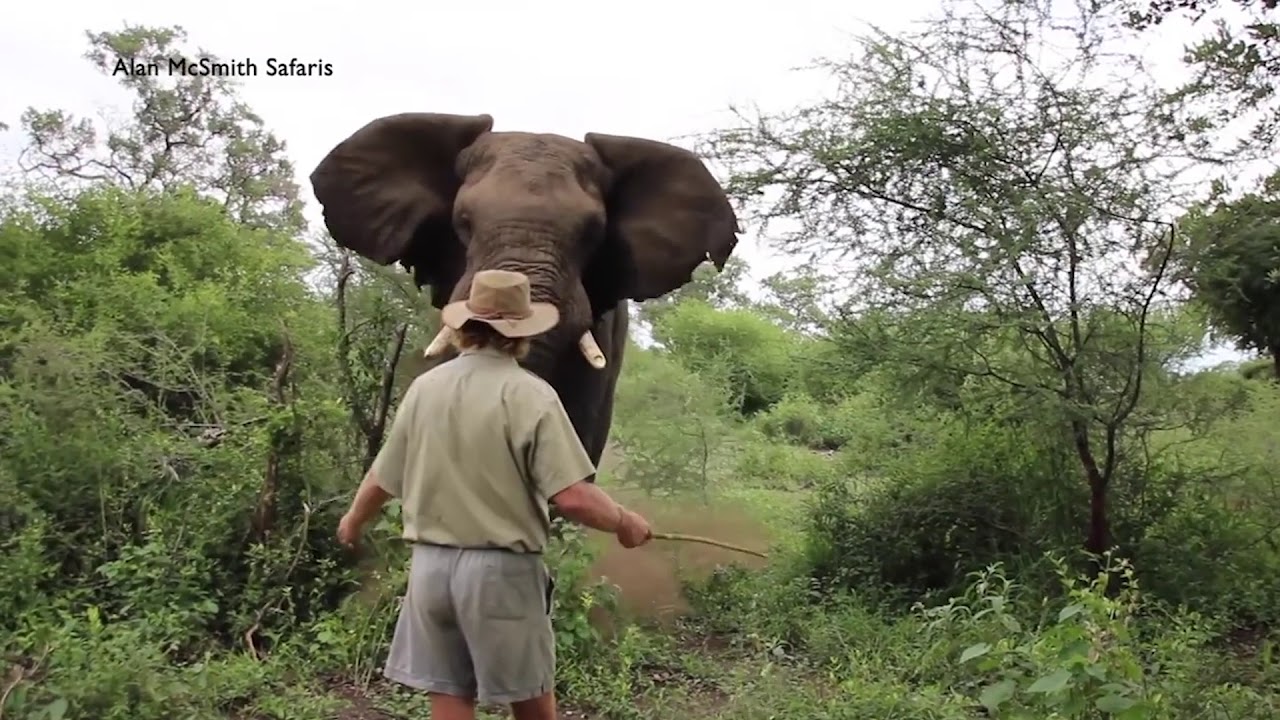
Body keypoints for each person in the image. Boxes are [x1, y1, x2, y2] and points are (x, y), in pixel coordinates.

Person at [336, 268, 653, 720]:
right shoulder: (531, 395)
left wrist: (352, 520)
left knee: (448, 695)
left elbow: (383, 478)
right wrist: (625, 521)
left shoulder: (425, 389)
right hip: (499, 575)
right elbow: (574, 498)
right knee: (530, 696)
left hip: (430, 570)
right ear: (523, 332)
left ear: (464, 325)